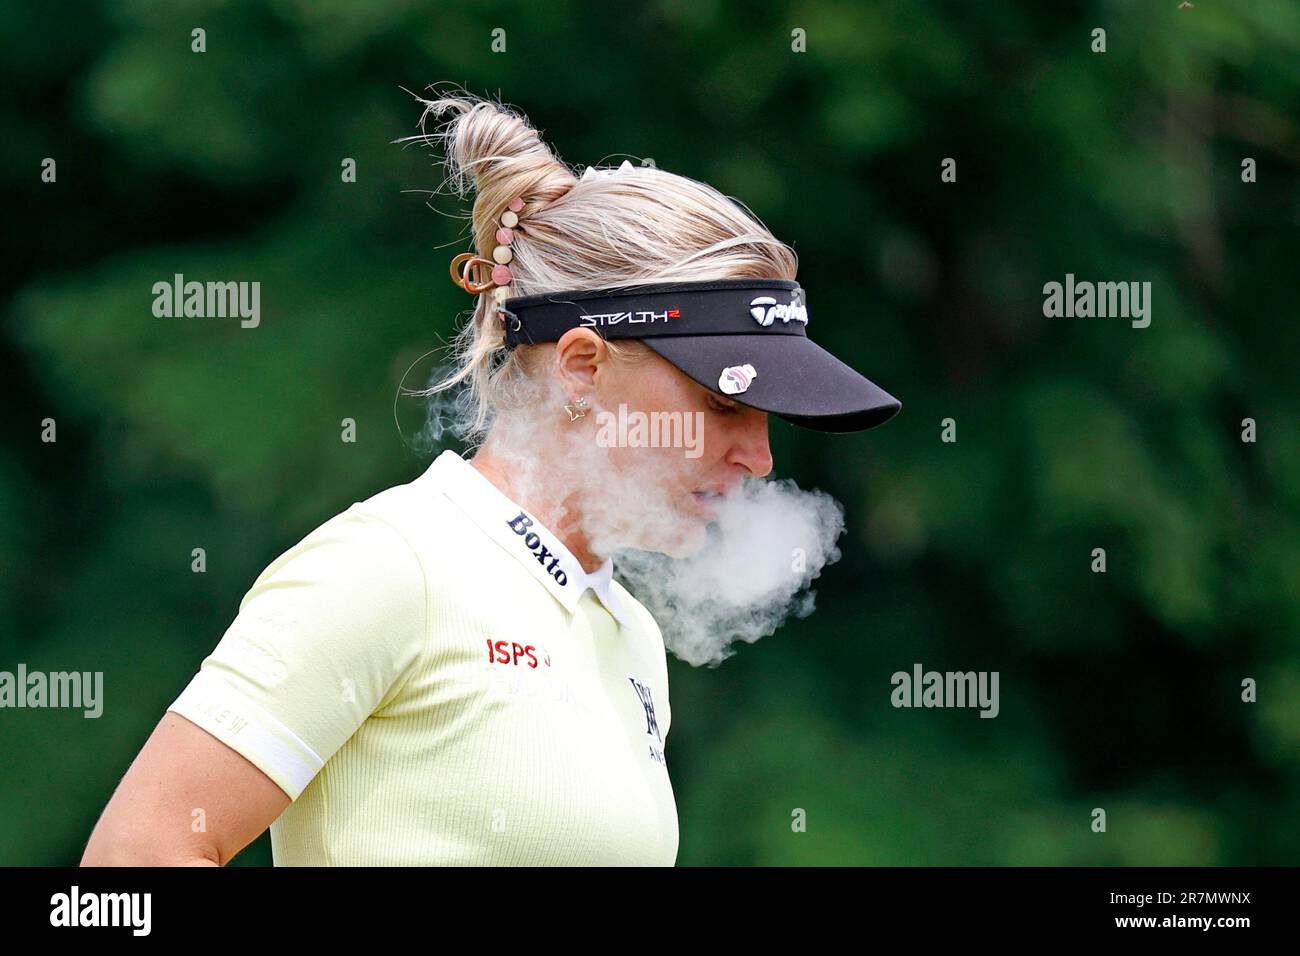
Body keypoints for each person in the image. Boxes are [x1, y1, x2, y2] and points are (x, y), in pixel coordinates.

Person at [79, 90, 900, 867]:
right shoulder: (390, 568)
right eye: (725, 404)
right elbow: (128, 864)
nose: (760, 457)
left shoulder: (629, 634)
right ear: (583, 366)